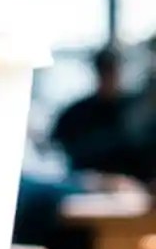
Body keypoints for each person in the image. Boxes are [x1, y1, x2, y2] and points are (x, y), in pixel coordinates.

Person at [51, 47, 145, 179]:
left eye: (112, 71)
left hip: (133, 186)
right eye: (104, 72)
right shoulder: (76, 113)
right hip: (86, 184)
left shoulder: (136, 110)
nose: (109, 78)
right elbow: (58, 151)